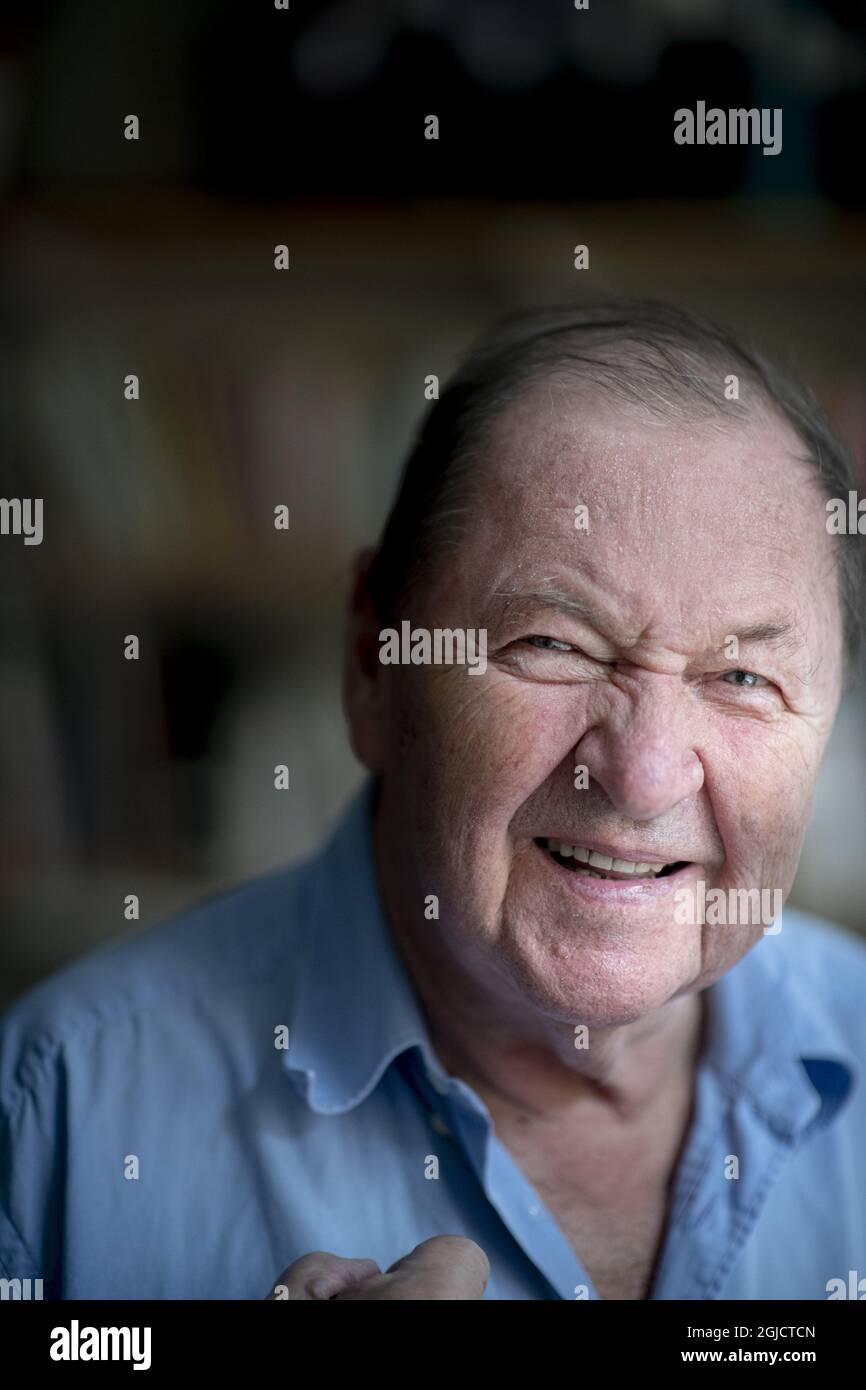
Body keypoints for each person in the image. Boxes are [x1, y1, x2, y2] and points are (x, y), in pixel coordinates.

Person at [2, 300, 864, 1301]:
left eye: (742, 677)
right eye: (553, 645)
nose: (641, 776)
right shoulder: (54, 1118)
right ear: (374, 663)